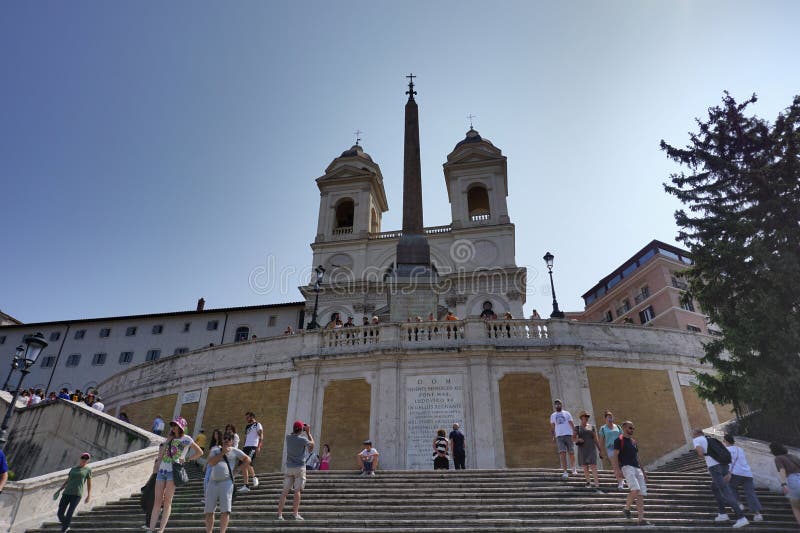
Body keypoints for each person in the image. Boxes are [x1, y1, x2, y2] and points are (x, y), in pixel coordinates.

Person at [147, 417, 203, 533]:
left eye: (176, 425)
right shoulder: (170, 438)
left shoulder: (186, 439)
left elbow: (200, 452)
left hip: (173, 471)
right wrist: (167, 442)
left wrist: (187, 459)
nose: (173, 427)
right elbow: (162, 453)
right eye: (172, 425)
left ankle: (161, 530)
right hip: (162, 471)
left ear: (181, 427)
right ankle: (151, 529)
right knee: (157, 501)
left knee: (167, 501)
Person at [692, 429, 749, 528]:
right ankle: (722, 513)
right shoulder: (710, 439)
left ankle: (741, 518)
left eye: (692, 434)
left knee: (725, 491)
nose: (692, 436)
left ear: (696, 434)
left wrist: (701, 453)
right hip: (724, 465)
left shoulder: (697, 440)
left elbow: (700, 453)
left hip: (714, 467)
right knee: (714, 487)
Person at [205, 433, 249, 533]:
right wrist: (222, 453)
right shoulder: (215, 450)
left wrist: (237, 470)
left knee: (225, 510)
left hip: (226, 482)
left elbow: (248, 459)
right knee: (209, 511)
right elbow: (211, 462)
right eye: (225, 438)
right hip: (212, 482)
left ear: (232, 441)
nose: (226, 440)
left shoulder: (235, 451)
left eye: (229, 439)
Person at [613, 421, 652, 527]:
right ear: (624, 428)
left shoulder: (633, 442)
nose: (632, 430)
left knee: (641, 494)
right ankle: (626, 508)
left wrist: (643, 472)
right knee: (635, 489)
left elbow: (637, 457)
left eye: (633, 428)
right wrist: (617, 470)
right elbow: (615, 456)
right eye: (630, 428)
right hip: (626, 467)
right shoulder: (619, 440)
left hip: (637, 468)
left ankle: (641, 520)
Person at [277, 421, 314, 521]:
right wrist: (308, 432)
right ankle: (295, 514)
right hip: (299, 468)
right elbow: (311, 447)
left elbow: (293, 433)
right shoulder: (303, 439)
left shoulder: (288, 437)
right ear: (301, 430)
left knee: (284, 492)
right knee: (297, 491)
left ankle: (280, 514)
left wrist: (301, 429)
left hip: (289, 468)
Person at [722, 434, 763, 522]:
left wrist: (727, 473)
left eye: (724, 441)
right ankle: (757, 514)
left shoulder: (726, 450)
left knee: (729, 487)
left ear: (726, 441)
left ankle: (738, 503)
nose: (723, 443)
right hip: (747, 473)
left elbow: (727, 463)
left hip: (735, 473)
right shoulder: (740, 449)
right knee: (750, 493)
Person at [54, 452, 92, 533]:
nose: (84, 459)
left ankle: (64, 530)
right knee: (60, 513)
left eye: (86, 458)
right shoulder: (73, 469)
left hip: (77, 494)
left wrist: (89, 495)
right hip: (66, 493)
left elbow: (89, 483)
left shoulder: (88, 470)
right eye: (83, 457)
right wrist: (60, 489)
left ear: (88, 460)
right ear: (80, 458)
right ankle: (66, 526)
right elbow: (68, 480)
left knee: (69, 513)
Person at [770, 441, 800, 526]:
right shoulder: (794, 457)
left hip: (794, 481)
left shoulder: (778, 458)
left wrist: (784, 484)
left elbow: (782, 470)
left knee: (795, 507)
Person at [574, 410, 602, 491]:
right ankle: (588, 482)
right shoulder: (577, 427)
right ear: (581, 418)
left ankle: (597, 484)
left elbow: (595, 439)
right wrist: (578, 440)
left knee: (593, 465)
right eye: (585, 416)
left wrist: (600, 450)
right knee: (585, 466)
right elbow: (573, 438)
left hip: (591, 449)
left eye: (587, 416)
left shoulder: (590, 427)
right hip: (582, 449)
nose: (586, 418)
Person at [549, 398, 577, 479]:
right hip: (559, 436)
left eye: (559, 404)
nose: (557, 405)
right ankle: (565, 471)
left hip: (568, 434)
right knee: (562, 453)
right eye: (556, 404)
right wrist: (553, 435)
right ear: (555, 406)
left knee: (571, 452)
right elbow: (552, 426)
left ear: (561, 405)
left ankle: (574, 468)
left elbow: (571, 423)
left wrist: (574, 433)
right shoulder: (553, 415)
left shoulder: (567, 413)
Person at [598, 410, 625, 489]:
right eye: (609, 417)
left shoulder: (618, 427)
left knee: (621, 465)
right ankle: (620, 482)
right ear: (605, 418)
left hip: (619, 447)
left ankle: (621, 478)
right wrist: (600, 451)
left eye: (611, 417)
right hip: (610, 448)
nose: (610, 418)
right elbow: (601, 440)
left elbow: (622, 437)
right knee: (615, 465)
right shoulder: (603, 428)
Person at [238, 412, 263, 493]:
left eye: (248, 417)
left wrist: (259, 446)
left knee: (247, 462)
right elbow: (246, 438)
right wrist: (243, 446)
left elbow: (261, 436)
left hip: (253, 446)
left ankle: (254, 477)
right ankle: (246, 485)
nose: (246, 419)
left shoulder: (257, 424)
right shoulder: (247, 426)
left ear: (252, 417)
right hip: (246, 447)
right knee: (242, 465)